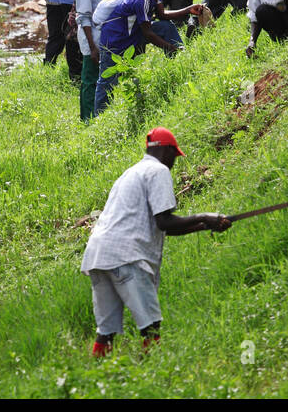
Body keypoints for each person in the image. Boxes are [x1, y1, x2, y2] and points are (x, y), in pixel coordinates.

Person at [81, 127, 231, 356]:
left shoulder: (130, 173)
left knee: (106, 329)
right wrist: (204, 216)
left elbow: (161, 227)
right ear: (167, 150)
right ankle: (153, 369)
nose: (174, 162)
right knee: (151, 325)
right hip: (126, 255)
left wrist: (203, 225)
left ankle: (97, 374)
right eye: (175, 156)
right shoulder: (158, 171)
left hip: (98, 255)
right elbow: (164, 221)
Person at [92, 0, 201, 115]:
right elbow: (148, 33)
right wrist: (170, 46)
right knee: (107, 81)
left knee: (165, 26)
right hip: (115, 41)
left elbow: (162, 15)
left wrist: (188, 9)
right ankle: (99, 118)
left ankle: (181, 62)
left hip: (133, 34)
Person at [74, 0, 113, 121]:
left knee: (101, 79)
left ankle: (99, 116)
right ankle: (87, 120)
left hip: (104, 35)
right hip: (91, 37)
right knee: (90, 80)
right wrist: (92, 47)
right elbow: (83, 15)